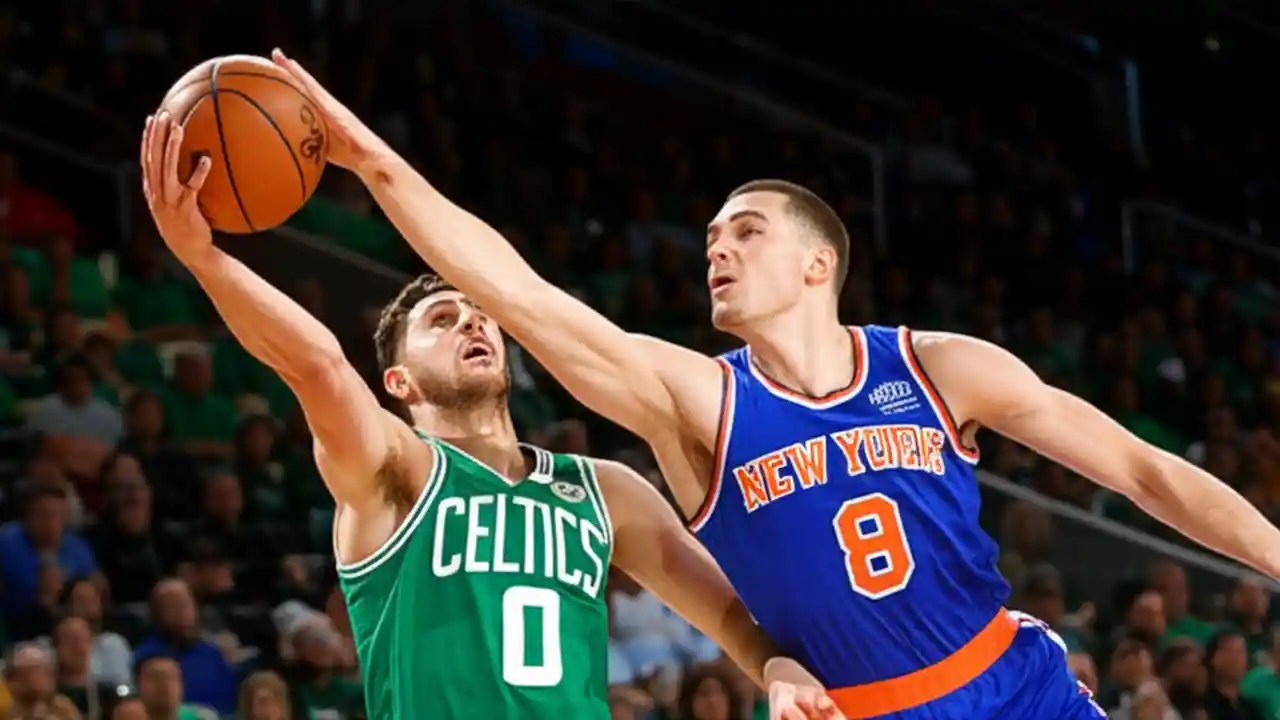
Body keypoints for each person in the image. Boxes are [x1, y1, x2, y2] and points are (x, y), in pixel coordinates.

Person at [272, 44, 1280, 719]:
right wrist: (370, 164)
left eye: (743, 232)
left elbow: (1145, 474)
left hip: (1011, 688)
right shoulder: (696, 399)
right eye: (708, 238)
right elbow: (523, 295)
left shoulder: (939, 368)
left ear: (814, 264)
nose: (715, 250)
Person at [139, 108, 831, 720]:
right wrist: (203, 258)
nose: (472, 324)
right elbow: (316, 363)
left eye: (479, 316)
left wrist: (777, 668)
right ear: (398, 380)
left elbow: (730, 614)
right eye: (442, 319)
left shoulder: (604, 491)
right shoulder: (395, 473)